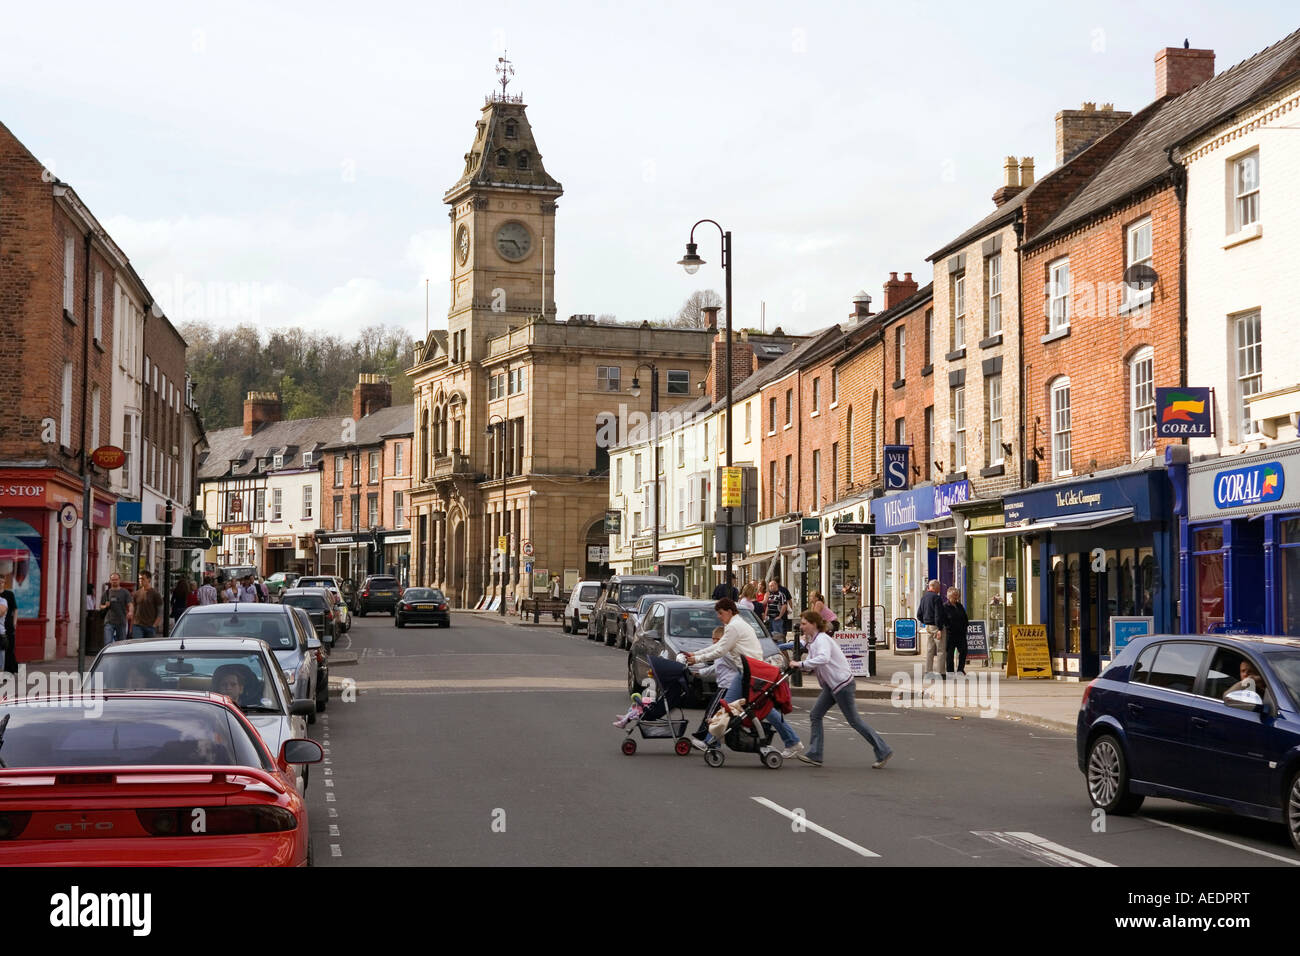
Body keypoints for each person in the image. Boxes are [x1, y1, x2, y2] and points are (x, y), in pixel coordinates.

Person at [686, 600, 803, 758]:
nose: (718, 617)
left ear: (729, 611)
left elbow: (720, 650)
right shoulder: (736, 624)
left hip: (750, 673)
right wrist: (696, 654)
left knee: (729, 706)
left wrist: (697, 659)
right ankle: (792, 741)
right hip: (750, 671)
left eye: (720, 613)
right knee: (763, 709)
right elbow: (718, 646)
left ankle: (711, 741)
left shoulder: (734, 627)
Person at [793, 609, 892, 769]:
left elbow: (823, 658)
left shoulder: (822, 640)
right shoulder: (815, 640)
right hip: (832, 685)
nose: (801, 627)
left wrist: (801, 664)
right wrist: (802, 664)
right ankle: (815, 754)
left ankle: (883, 750)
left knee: (855, 721)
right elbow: (814, 660)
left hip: (842, 685)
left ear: (813, 624)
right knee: (815, 715)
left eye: (804, 624)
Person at [918, 580, 946, 676]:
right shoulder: (936, 598)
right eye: (939, 587)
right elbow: (938, 614)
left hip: (928, 626)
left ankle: (928, 671)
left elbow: (919, 614)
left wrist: (925, 622)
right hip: (936, 626)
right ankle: (941, 672)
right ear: (934, 587)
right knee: (940, 650)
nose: (940, 589)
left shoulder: (924, 598)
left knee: (930, 650)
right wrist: (940, 628)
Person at [941, 587, 969, 675]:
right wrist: (948, 627)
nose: (956, 597)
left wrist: (965, 627)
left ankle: (961, 669)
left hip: (961, 633)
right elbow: (943, 619)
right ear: (949, 596)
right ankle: (950, 671)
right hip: (950, 634)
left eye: (957, 595)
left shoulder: (959, 606)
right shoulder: (945, 607)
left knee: (963, 651)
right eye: (954, 596)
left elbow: (965, 618)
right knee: (950, 653)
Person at [100, 573, 132, 645]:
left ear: (119, 580)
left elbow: (130, 604)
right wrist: (105, 606)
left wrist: (130, 612)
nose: (114, 581)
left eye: (116, 579)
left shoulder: (125, 592)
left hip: (121, 621)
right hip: (109, 622)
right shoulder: (106, 592)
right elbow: (101, 606)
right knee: (107, 643)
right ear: (110, 581)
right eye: (113, 580)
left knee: (121, 643)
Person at [131, 571, 163, 640]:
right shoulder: (136, 593)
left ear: (149, 579)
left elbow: (160, 612)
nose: (140, 581)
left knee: (148, 648)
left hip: (150, 626)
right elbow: (134, 610)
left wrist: (154, 625)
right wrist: (132, 626)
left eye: (142, 579)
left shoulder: (155, 594)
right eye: (139, 579)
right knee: (137, 646)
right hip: (137, 626)